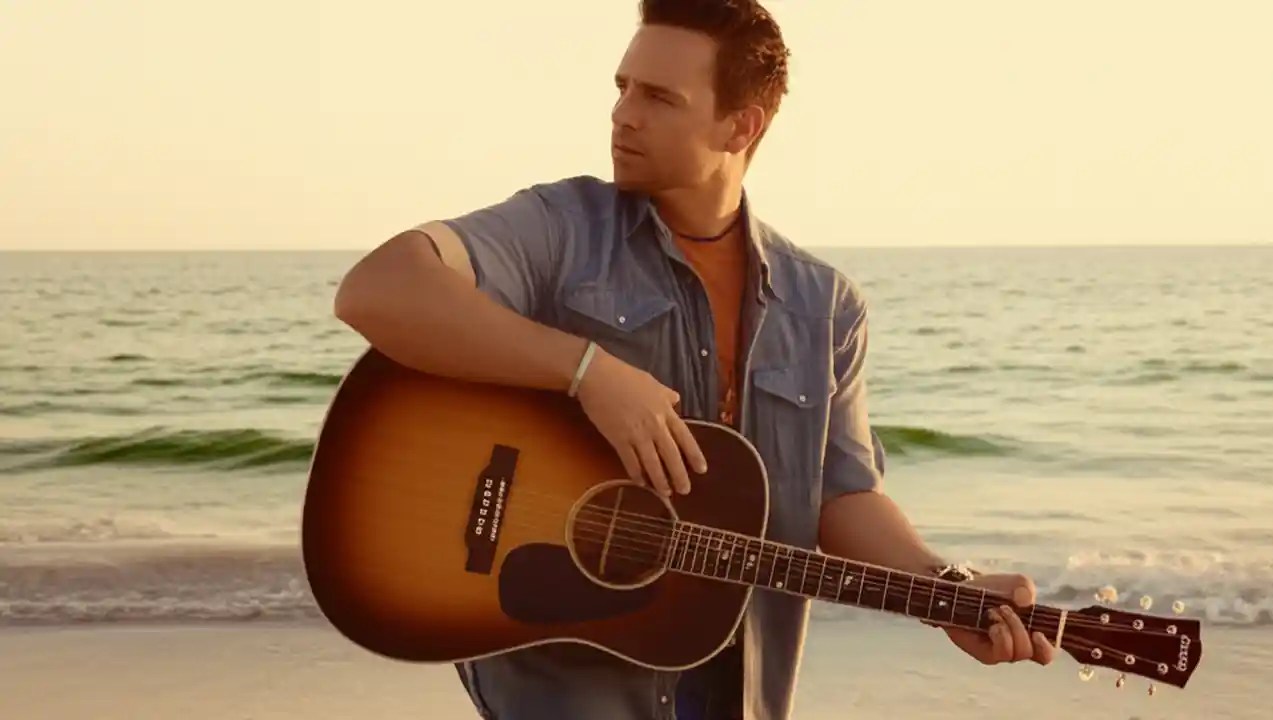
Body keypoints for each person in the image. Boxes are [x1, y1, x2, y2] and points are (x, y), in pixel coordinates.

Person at [333, 1, 1056, 717]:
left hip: (737, 693)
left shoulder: (824, 306)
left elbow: (840, 495)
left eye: (658, 97)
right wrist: (588, 372)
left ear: (741, 125)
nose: (623, 114)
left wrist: (946, 588)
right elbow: (378, 289)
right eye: (621, 88)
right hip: (565, 689)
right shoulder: (562, 228)